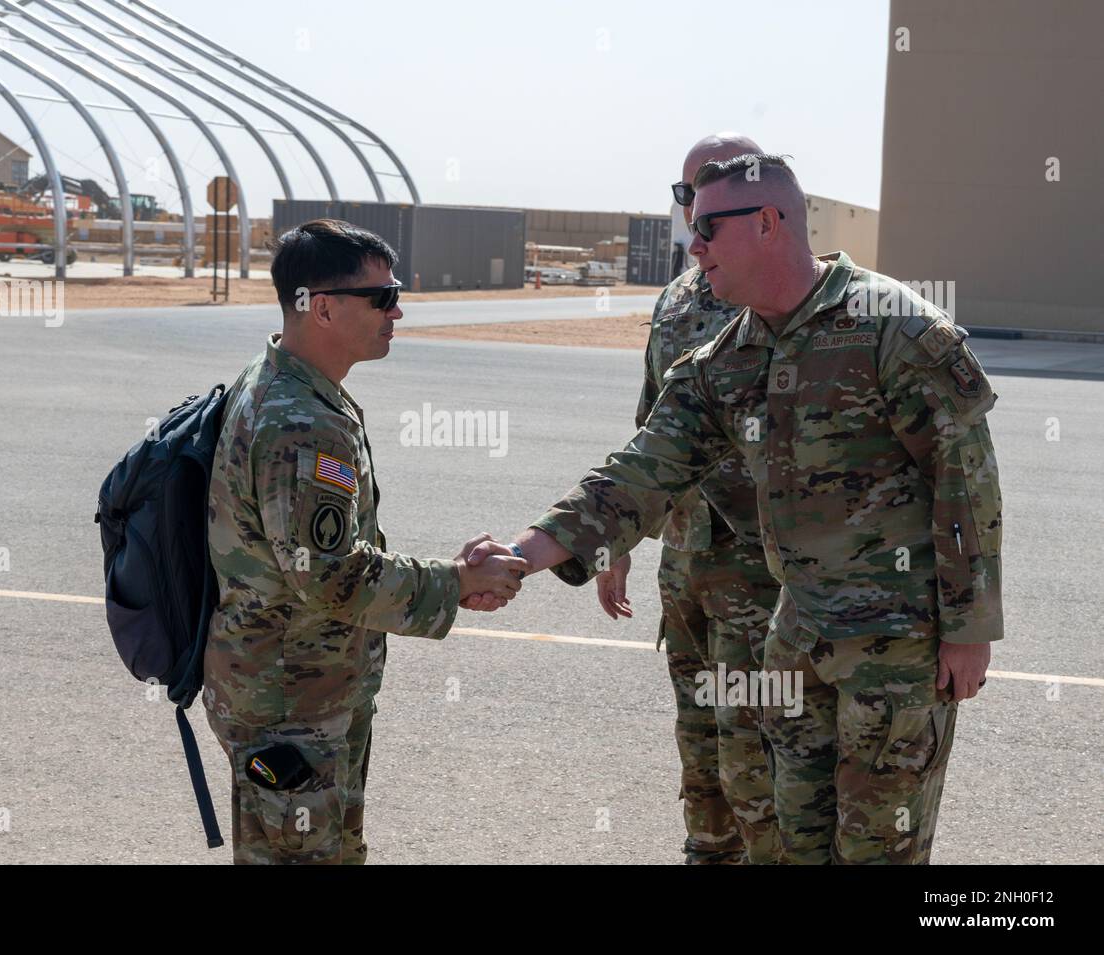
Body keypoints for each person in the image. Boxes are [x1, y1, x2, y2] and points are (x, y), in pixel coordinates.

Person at [470, 155, 1002, 864]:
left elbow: (966, 485)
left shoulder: (893, 328)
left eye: (707, 228)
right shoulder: (726, 359)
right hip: (797, 645)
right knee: (792, 845)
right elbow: (636, 475)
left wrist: (970, 627)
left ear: (767, 223)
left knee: (879, 849)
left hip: (898, 655)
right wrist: (522, 554)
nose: (694, 247)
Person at [205, 218, 528, 864]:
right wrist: (455, 582)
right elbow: (331, 576)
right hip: (293, 708)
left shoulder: (289, 385)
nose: (396, 310)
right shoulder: (301, 422)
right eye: (381, 297)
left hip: (302, 695)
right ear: (320, 307)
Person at [595, 132, 781, 864]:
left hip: (760, 576)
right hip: (687, 569)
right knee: (698, 741)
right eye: (686, 195)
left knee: (756, 749)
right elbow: (650, 432)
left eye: (713, 191)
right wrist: (616, 543)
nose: (696, 209)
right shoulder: (674, 300)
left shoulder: (792, 299)